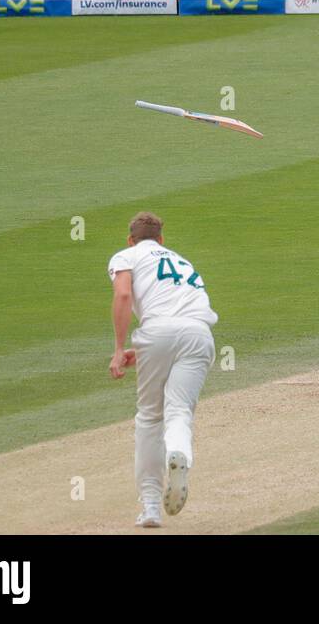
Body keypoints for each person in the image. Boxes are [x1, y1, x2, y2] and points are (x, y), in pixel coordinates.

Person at [107, 212, 218, 529]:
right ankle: (180, 453)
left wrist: (119, 348)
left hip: (157, 333)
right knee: (179, 409)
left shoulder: (125, 256)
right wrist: (141, 352)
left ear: (131, 239)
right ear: (161, 240)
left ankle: (152, 506)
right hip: (199, 334)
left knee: (150, 417)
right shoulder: (182, 262)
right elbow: (177, 315)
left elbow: (124, 294)